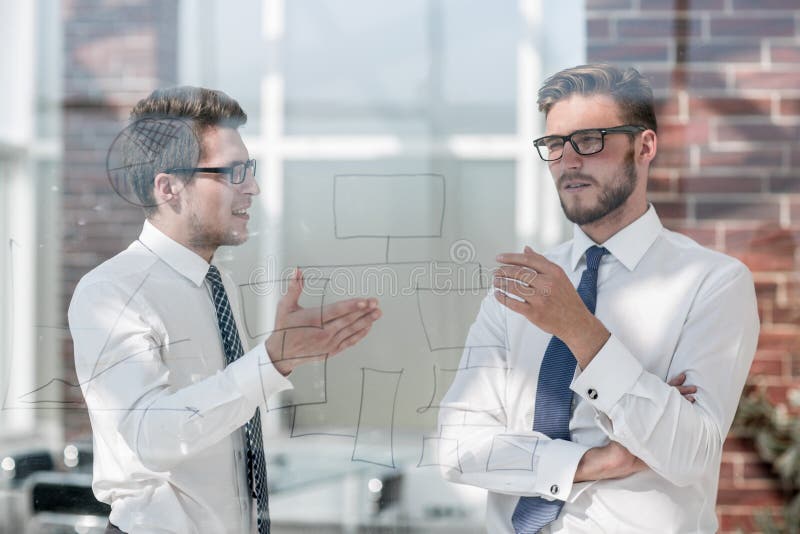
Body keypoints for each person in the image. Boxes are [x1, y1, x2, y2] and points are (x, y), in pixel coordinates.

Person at [438, 64, 759, 533]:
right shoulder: (521, 286)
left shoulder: (713, 283)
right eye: (554, 144)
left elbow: (689, 453)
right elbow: (457, 448)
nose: (568, 161)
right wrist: (593, 462)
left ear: (644, 147)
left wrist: (580, 331)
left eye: (589, 140)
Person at [68, 86, 382, 534]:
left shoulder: (218, 286)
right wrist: (271, 361)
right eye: (234, 172)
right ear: (169, 188)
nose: (253, 188)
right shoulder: (111, 292)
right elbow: (148, 437)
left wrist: (279, 359)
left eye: (249, 170)